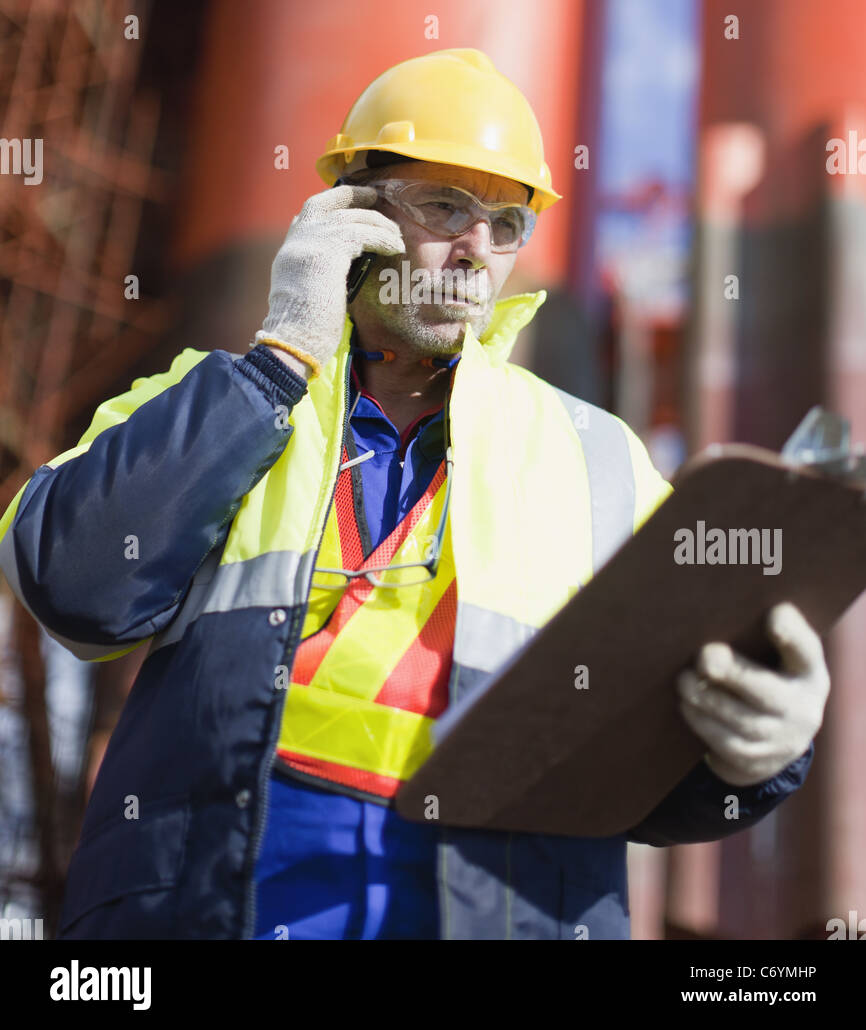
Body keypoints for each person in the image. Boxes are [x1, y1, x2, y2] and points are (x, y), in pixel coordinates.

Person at [0, 47, 829, 940]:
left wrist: (763, 753)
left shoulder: (600, 458)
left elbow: (649, 767)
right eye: (445, 208)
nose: (476, 250)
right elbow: (77, 588)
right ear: (347, 213)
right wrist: (281, 359)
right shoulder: (210, 396)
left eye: (507, 223)